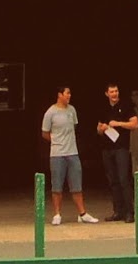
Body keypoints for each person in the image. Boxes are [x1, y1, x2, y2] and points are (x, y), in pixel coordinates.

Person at [41, 85, 98, 225]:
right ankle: (57, 214)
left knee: (76, 185)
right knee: (57, 185)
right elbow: (45, 133)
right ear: (59, 95)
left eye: (70, 93)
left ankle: (82, 213)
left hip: (73, 152)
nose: (69, 96)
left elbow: (74, 126)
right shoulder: (50, 112)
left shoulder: (72, 110)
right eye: (67, 93)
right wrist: (56, 141)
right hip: (57, 154)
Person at [97, 81, 138, 221]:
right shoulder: (103, 108)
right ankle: (118, 211)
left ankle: (129, 212)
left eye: (116, 91)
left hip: (121, 148)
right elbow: (98, 128)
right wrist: (101, 129)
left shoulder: (126, 105)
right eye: (112, 92)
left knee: (123, 179)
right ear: (106, 94)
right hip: (107, 148)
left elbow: (135, 124)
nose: (114, 94)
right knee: (112, 181)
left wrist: (118, 123)